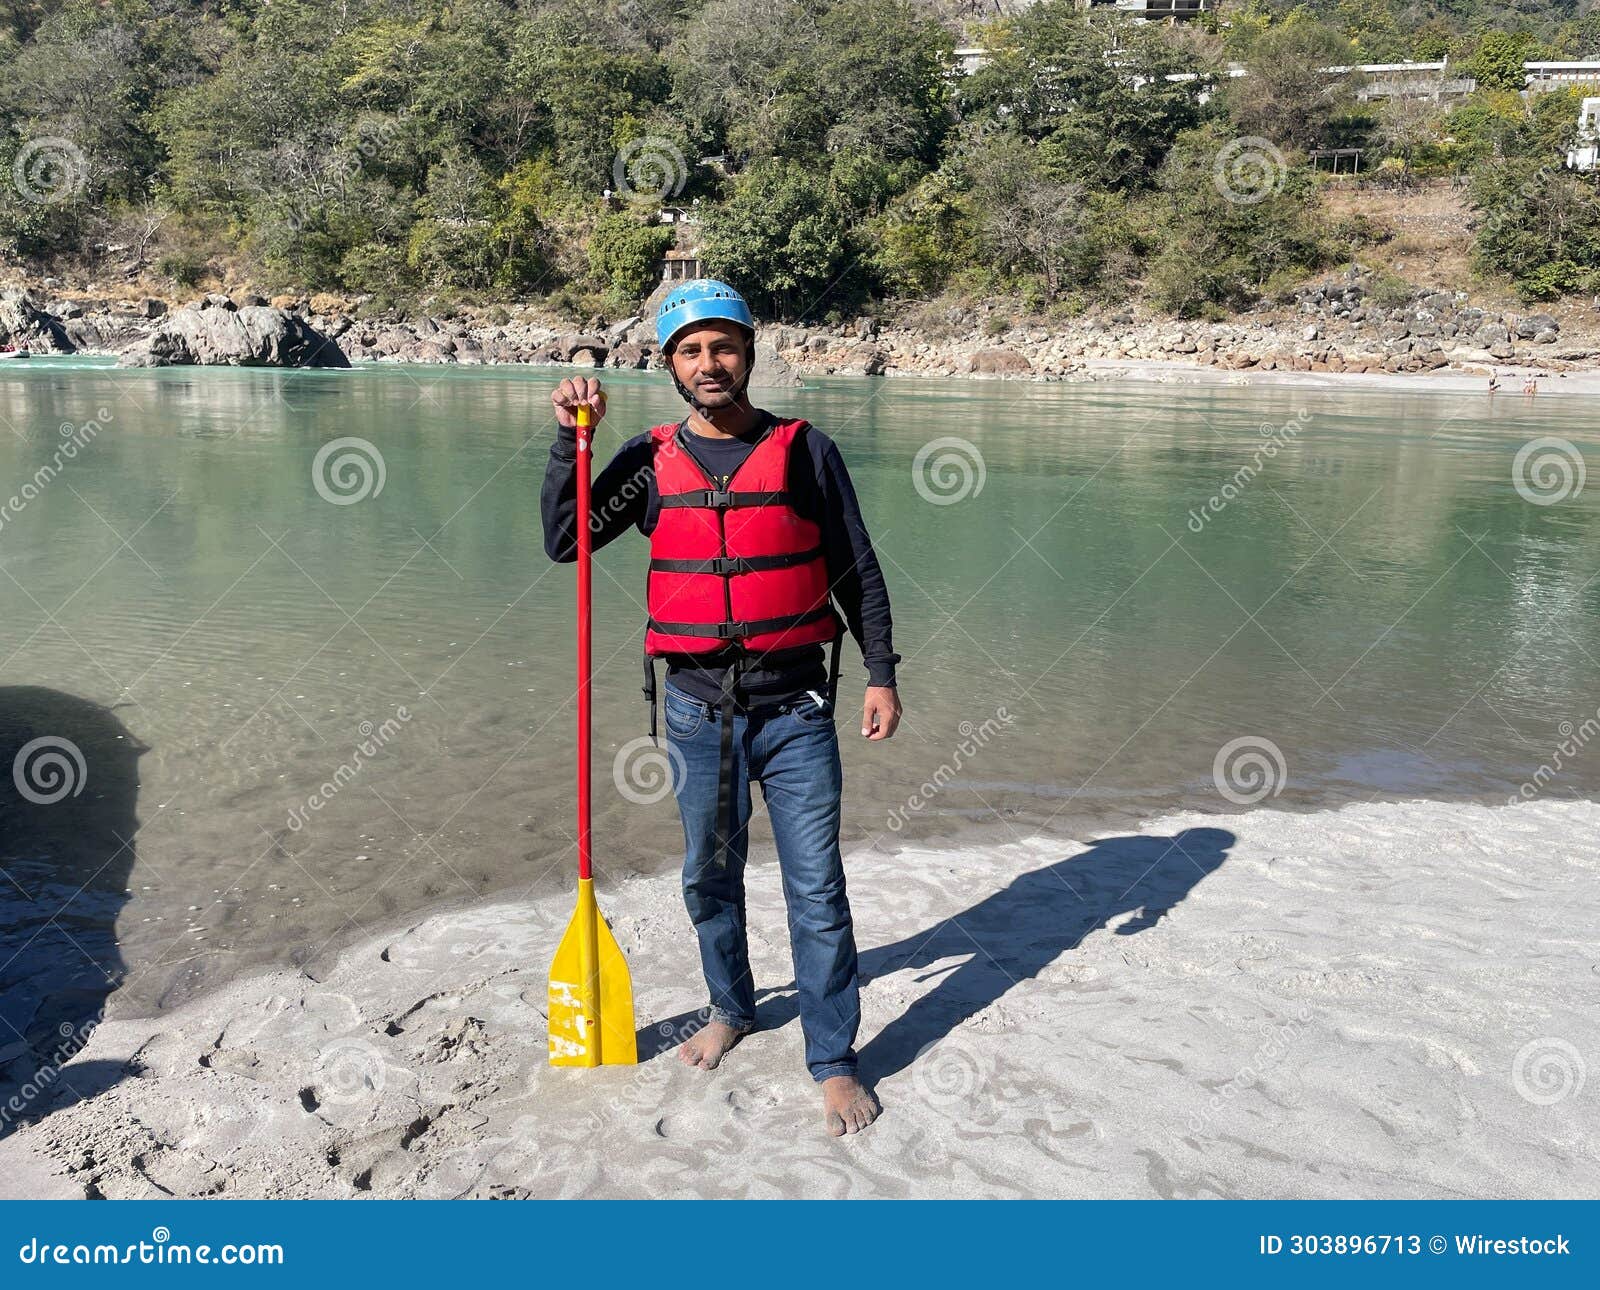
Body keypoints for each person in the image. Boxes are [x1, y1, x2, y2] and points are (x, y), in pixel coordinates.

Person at [542, 279, 902, 1135]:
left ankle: (835, 1060)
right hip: (699, 714)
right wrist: (569, 444)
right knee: (710, 876)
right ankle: (731, 1007)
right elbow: (567, 541)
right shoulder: (644, 460)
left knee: (817, 888)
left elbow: (858, 570)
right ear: (670, 364)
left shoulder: (807, 451)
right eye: (691, 350)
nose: (711, 363)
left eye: (724, 346)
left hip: (799, 712)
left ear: (749, 350)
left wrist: (882, 673)